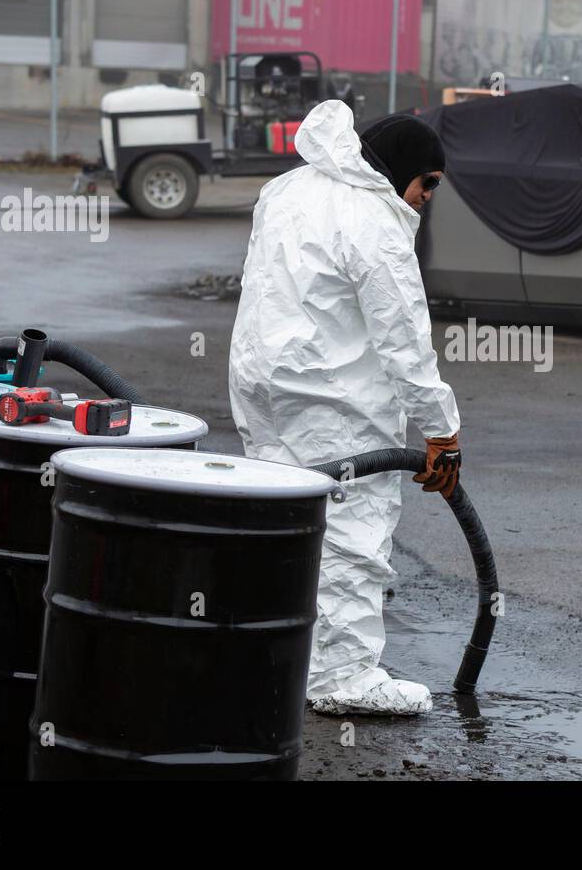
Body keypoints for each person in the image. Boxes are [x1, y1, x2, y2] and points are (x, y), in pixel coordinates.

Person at [228, 99, 462, 715]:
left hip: (261, 383)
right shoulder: (375, 219)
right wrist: (441, 431)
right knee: (354, 526)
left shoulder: (287, 189)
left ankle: (268, 654)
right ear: (402, 168)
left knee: (283, 520)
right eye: (428, 182)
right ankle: (342, 678)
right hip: (327, 393)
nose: (428, 196)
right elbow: (404, 339)